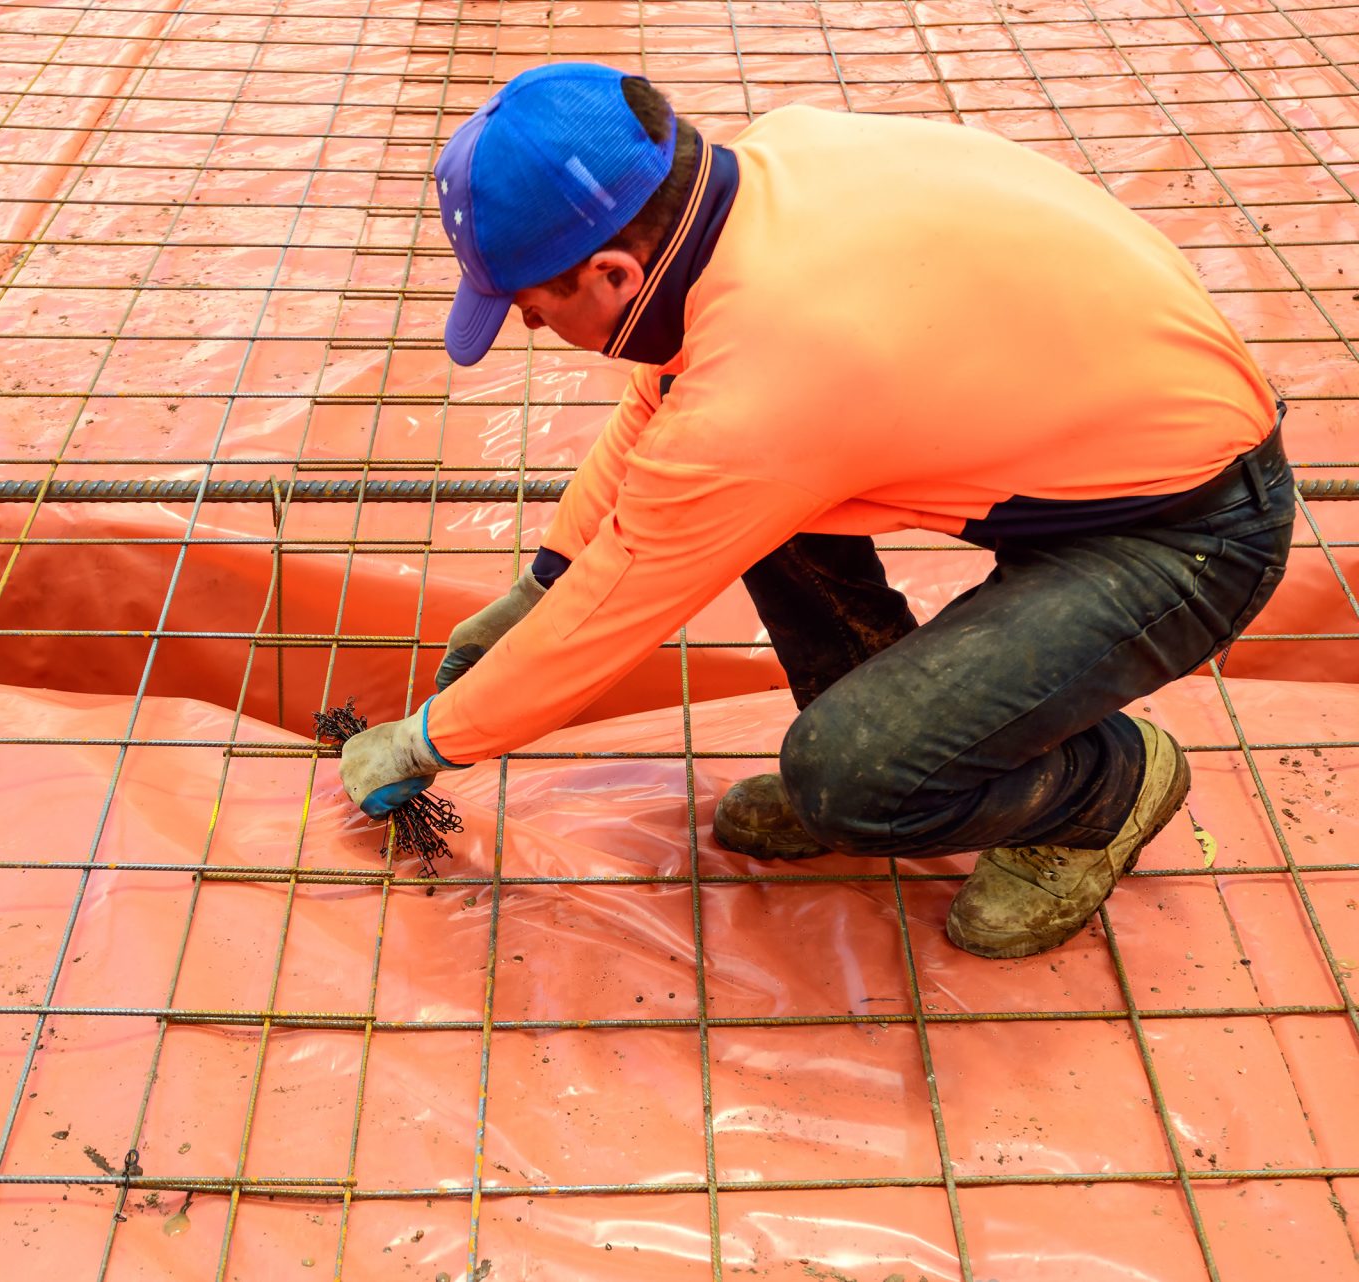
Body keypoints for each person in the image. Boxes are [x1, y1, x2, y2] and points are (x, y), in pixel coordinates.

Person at [338, 63, 1293, 959]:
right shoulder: (759, 178)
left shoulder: (772, 384)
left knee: (851, 778)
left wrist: (432, 738)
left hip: (1190, 531)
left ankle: (1102, 790)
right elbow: (667, 404)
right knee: (751, 510)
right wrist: (543, 583)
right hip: (1092, 435)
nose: (535, 331)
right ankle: (890, 739)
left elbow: (616, 610)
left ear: (615, 275)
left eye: (536, 311)